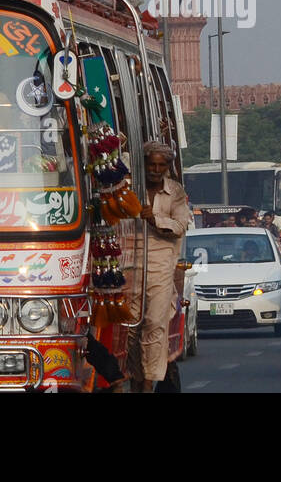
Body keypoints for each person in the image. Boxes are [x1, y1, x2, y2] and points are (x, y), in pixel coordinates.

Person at [125, 141, 191, 393]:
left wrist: (155, 219)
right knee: (130, 326)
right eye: (151, 164)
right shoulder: (130, 187)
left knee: (154, 323)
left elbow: (180, 226)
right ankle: (135, 377)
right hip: (129, 261)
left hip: (160, 263)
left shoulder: (174, 192)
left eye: (160, 165)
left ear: (167, 167)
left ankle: (149, 382)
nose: (155, 169)